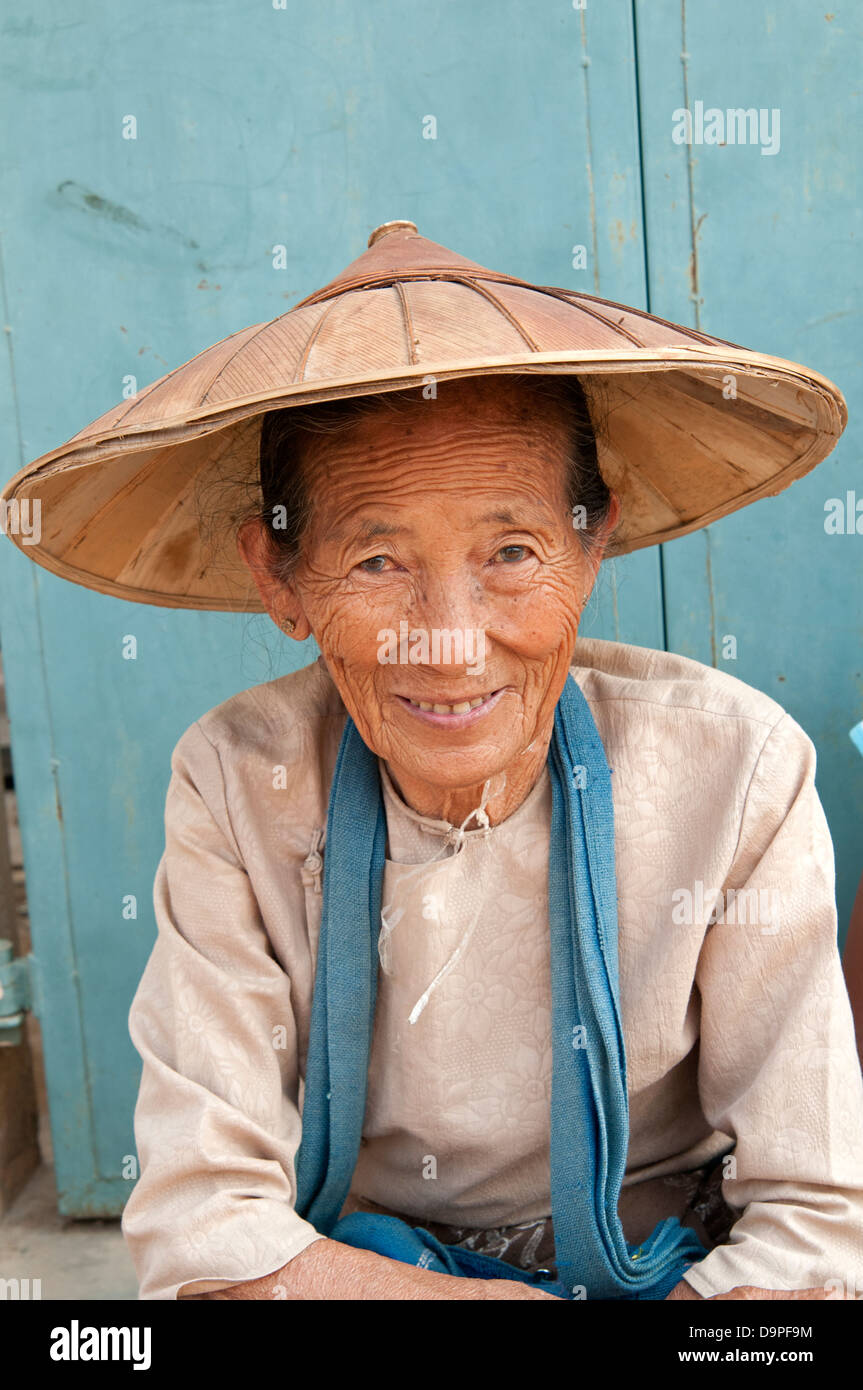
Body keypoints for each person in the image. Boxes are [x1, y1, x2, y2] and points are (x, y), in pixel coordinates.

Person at [4, 220, 861, 1300]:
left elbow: (818, 1221)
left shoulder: (734, 770)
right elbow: (200, 1222)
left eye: (510, 552)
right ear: (280, 577)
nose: (449, 642)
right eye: (375, 559)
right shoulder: (236, 780)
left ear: (591, 542)